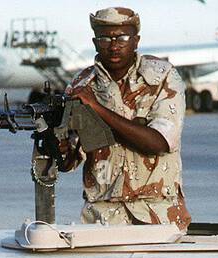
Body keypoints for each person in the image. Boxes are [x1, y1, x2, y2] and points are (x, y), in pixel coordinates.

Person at [58, 7, 191, 229]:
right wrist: (58, 147)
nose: (114, 45)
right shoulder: (82, 85)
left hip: (158, 214)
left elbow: (158, 142)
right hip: (102, 216)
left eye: (122, 37)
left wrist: (97, 108)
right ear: (94, 42)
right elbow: (70, 159)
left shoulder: (162, 77)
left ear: (136, 40)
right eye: (104, 38)